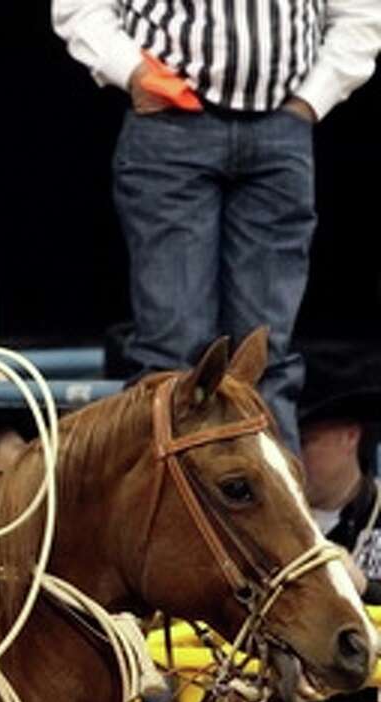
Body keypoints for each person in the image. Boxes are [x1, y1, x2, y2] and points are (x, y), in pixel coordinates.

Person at [51, 0, 381, 452]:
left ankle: (264, 521)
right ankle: (168, 519)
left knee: (265, 357)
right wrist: (132, 70)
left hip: (280, 129)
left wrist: (311, 98)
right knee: (172, 355)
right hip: (171, 125)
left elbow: (360, 12)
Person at [246, 344, 381, 702]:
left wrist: (368, 587)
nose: (292, 457)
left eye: (304, 437)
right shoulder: (256, 525)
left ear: (350, 436)